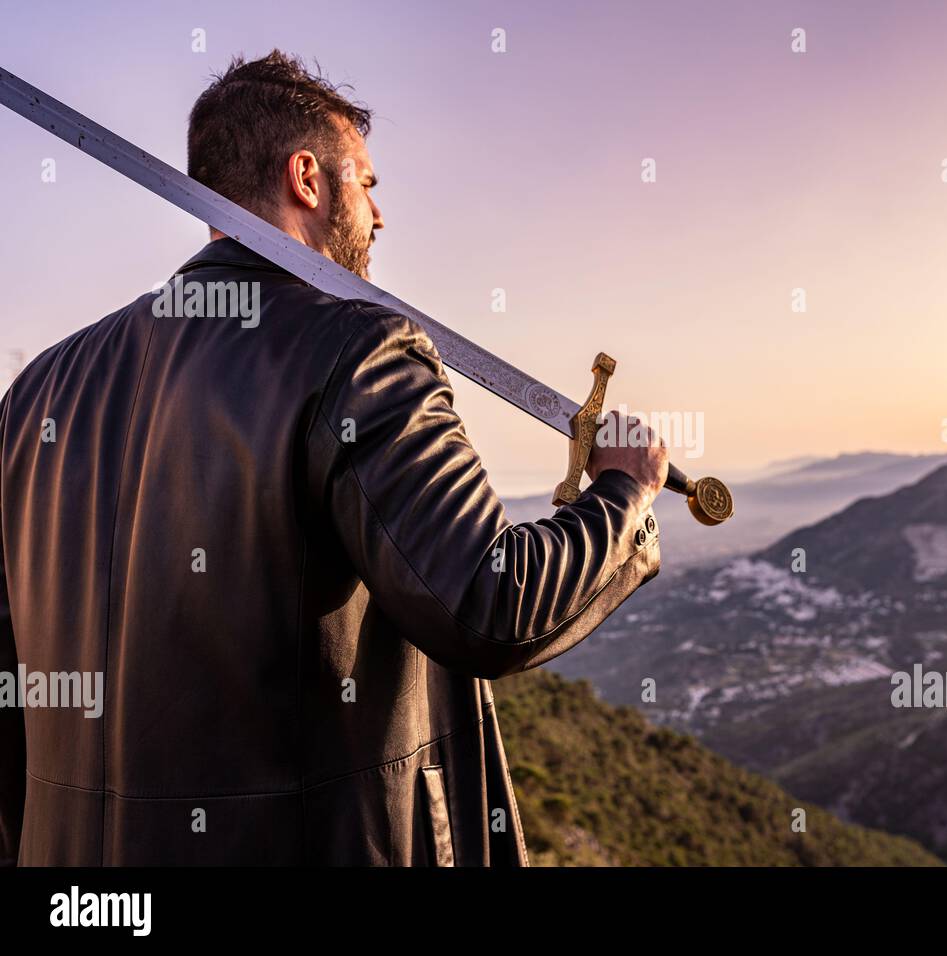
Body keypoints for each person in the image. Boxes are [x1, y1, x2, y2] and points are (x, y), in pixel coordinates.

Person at [0, 51, 668, 866]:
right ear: (308, 178)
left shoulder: (39, 392)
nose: (379, 216)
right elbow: (484, 598)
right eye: (370, 184)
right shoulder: (355, 349)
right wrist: (622, 495)